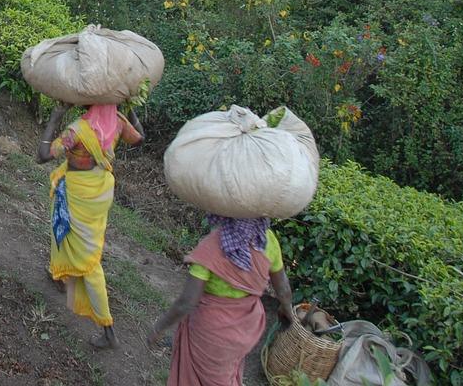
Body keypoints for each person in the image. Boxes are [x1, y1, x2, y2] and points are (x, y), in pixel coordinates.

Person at [35, 102, 144, 349]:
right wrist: (129, 109)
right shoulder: (117, 122)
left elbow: (42, 156)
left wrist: (55, 117)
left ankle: (108, 330)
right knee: (70, 234)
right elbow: (139, 140)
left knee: (88, 261)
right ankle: (58, 274)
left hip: (79, 194)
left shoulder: (77, 130)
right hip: (100, 192)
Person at [146, 215, 296, 385]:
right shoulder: (267, 240)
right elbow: (283, 288)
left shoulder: (213, 246)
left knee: (208, 380)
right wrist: (287, 309)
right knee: (227, 371)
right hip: (246, 329)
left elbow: (187, 302)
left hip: (212, 334)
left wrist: (159, 327)